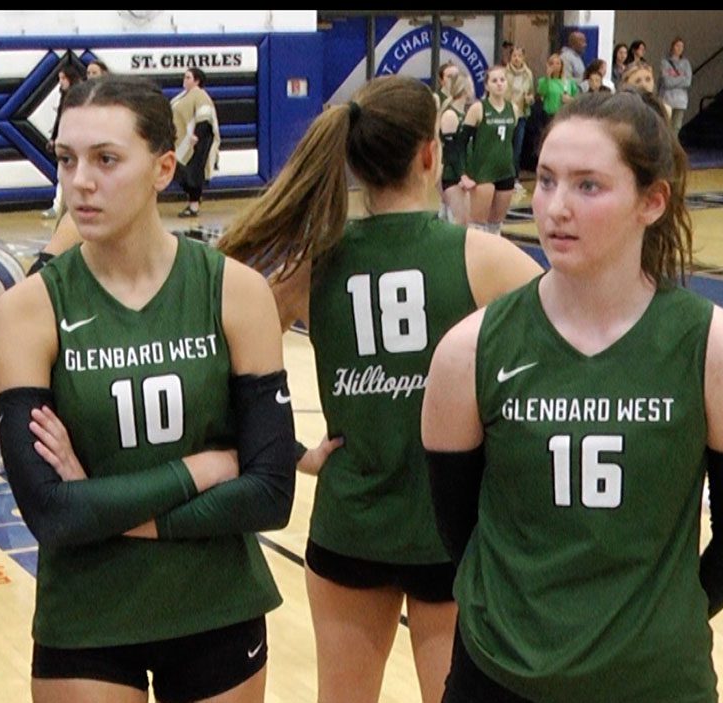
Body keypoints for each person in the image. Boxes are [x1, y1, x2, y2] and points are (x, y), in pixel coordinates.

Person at [422, 89, 723, 703]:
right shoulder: (470, 350)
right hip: (500, 677)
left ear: (652, 200)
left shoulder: (716, 349)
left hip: (658, 683)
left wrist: (661, 619)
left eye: (589, 186)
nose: (556, 207)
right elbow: (461, 529)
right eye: (548, 180)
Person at [217, 74, 542, 703]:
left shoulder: (313, 264)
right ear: (430, 154)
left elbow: (220, 367)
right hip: (449, 529)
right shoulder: (481, 257)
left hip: (349, 523)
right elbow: (579, 353)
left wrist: (287, 452)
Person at [0, 74, 295, 703]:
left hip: (216, 605)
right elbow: (50, 512)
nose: (80, 181)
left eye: (106, 160)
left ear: (162, 168)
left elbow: (269, 492)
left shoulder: (234, 291)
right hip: (88, 612)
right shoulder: (29, 310)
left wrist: (101, 505)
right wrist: (200, 469)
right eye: (67, 159)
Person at [460, 66, 520, 235]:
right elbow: (462, 143)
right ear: (486, 86)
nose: (499, 84)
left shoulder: (513, 109)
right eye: (494, 81)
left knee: (496, 225)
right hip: (483, 172)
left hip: (506, 170)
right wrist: (463, 173)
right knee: (478, 225)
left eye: (502, 80)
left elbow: (511, 140)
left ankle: (494, 258)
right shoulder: (478, 108)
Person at [171, 67, 220, 218]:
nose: (184, 80)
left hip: (197, 141)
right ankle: (195, 199)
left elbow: (204, 117)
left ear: (197, 80)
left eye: (188, 77)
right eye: (184, 77)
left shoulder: (200, 95)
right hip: (184, 141)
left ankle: (194, 206)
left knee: (193, 173)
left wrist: (196, 136)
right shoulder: (184, 95)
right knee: (182, 172)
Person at [42, 64, 85, 220]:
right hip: (66, 141)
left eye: (63, 78)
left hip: (75, 142)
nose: (60, 82)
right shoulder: (65, 96)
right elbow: (60, 120)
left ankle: (64, 206)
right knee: (63, 174)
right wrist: (54, 137)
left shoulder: (79, 97)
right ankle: (59, 206)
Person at [439, 73, 474, 225]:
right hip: (452, 175)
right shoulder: (450, 115)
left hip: (461, 171)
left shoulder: (464, 113)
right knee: (459, 222)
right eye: (471, 86)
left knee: (465, 222)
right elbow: (450, 151)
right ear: (465, 89)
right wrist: (462, 175)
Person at [506, 47, 534, 177]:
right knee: (506, 147)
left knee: (517, 147)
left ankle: (515, 177)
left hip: (521, 114)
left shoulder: (528, 74)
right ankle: (504, 176)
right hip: (507, 114)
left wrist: (530, 99)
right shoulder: (504, 73)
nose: (517, 58)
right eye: (514, 56)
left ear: (523, 58)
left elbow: (531, 93)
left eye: (519, 56)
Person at [661, 38, 692, 134]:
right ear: (672, 47)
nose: (679, 48)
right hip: (667, 99)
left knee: (676, 126)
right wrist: (681, 78)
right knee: (665, 124)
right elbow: (666, 82)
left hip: (680, 100)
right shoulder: (665, 62)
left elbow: (687, 82)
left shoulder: (686, 63)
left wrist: (675, 79)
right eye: (677, 46)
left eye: (682, 46)